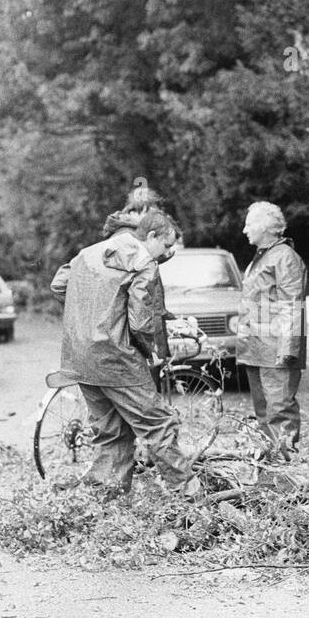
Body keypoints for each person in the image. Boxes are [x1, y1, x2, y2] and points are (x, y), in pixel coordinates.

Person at [50, 208, 197, 496]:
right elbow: (140, 323)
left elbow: (58, 286)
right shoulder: (144, 264)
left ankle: (108, 499)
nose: (166, 254)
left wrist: (89, 317)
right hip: (118, 360)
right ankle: (189, 494)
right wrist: (150, 352)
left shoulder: (88, 253)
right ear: (150, 236)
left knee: (111, 431)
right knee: (159, 424)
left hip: (81, 359)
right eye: (166, 246)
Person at [235, 201, 307, 460]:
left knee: (280, 411)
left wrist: (288, 349)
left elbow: (292, 303)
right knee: (263, 413)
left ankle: (287, 470)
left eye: (249, 224)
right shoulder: (263, 256)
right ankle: (271, 470)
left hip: (276, 350)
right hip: (257, 348)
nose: (244, 230)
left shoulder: (284, 257)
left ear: (265, 227)